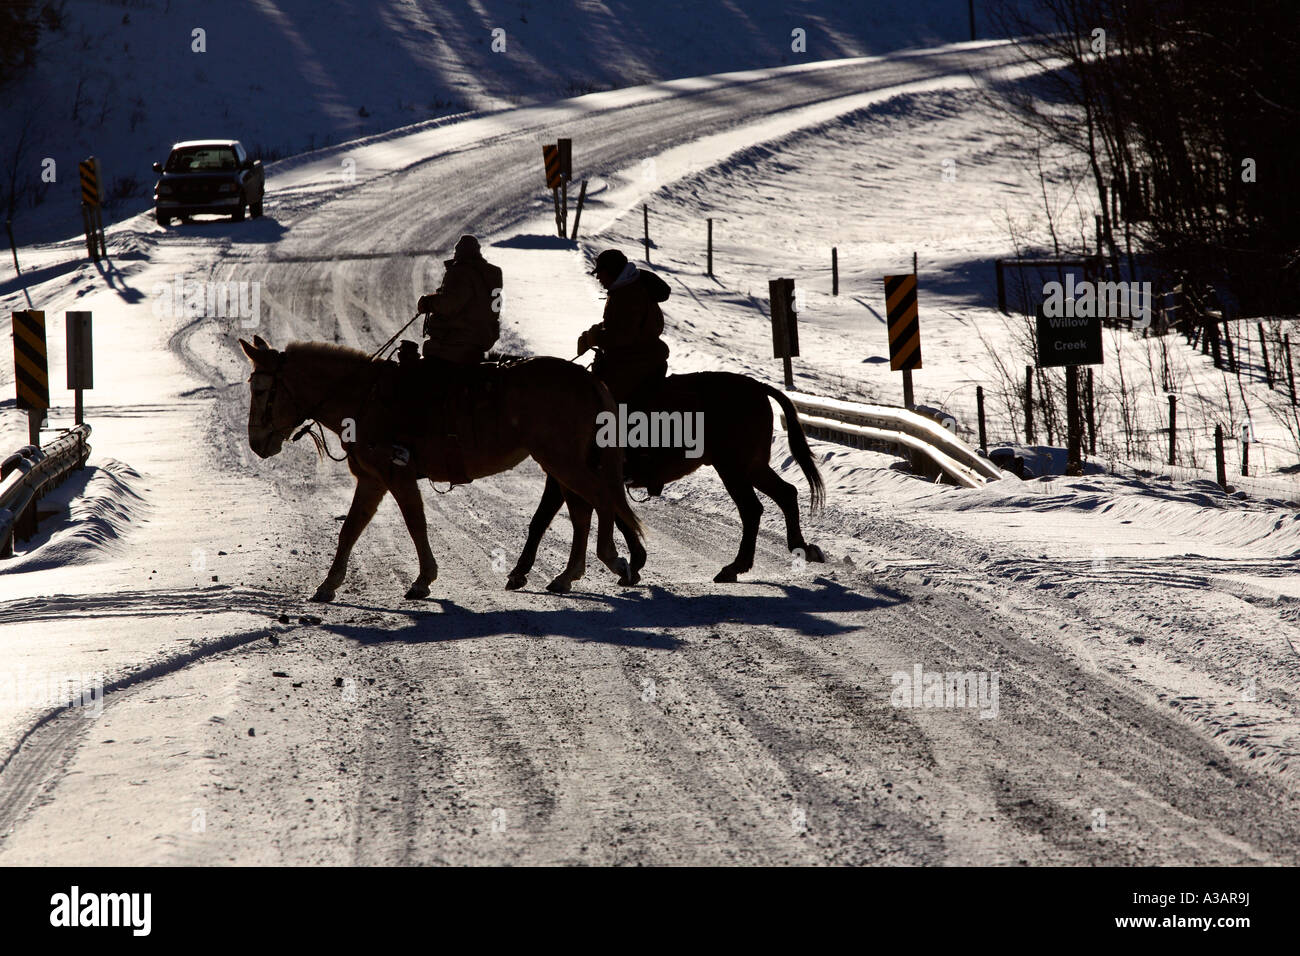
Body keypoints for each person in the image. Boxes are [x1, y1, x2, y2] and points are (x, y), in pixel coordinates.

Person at [576, 249, 670, 405]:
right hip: (638, 360)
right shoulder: (626, 289)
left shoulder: (628, 294)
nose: (598, 277)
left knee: (607, 404)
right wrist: (594, 334)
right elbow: (622, 324)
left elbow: (622, 336)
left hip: (636, 365)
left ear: (612, 271)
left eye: (601, 272)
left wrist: (594, 338)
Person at [417, 234, 503, 365]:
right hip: (483, 338)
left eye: (456, 252)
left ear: (459, 252)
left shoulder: (462, 272)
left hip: (457, 339)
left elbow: (450, 304)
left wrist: (427, 303)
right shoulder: (490, 275)